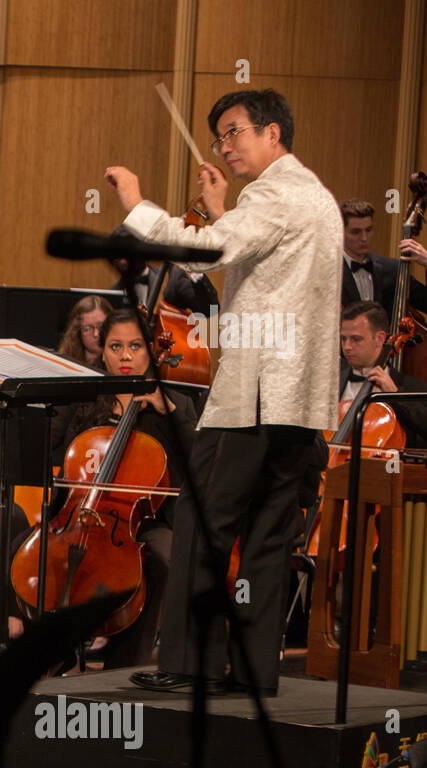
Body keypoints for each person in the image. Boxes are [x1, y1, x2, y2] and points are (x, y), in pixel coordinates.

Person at [107, 87, 344, 697]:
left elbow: (204, 251)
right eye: (219, 136)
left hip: (254, 395)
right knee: (269, 535)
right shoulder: (314, 196)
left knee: (203, 522)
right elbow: (252, 264)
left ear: (273, 134)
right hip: (299, 401)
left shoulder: (275, 193)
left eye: (235, 131)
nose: (225, 145)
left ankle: (190, 667)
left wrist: (137, 206)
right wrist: (218, 212)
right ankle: (256, 671)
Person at [47, 309, 197, 666]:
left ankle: (128, 660)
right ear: (102, 351)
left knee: (163, 559)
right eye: (116, 347)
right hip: (80, 512)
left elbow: (200, 460)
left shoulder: (178, 402)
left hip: (145, 519)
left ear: (151, 351)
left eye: (135, 347)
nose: (126, 356)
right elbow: (49, 446)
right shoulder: (84, 395)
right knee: (36, 553)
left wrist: (169, 410)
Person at [338, 301, 427, 451]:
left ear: (380, 338)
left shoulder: (415, 388)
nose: (347, 346)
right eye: (343, 339)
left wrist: (396, 396)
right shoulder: (330, 381)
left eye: (356, 339)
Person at [339, 199, 427, 314]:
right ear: (341, 232)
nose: (364, 238)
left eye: (368, 230)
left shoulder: (392, 269)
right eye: (356, 232)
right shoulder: (329, 272)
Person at [55, 294, 113, 369]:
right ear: (78, 332)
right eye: (88, 329)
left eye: (101, 326)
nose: (96, 334)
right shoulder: (65, 364)